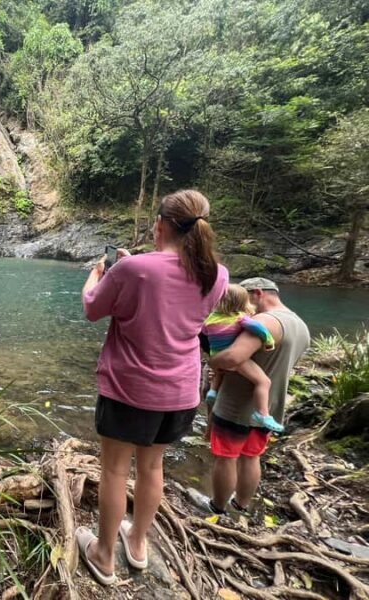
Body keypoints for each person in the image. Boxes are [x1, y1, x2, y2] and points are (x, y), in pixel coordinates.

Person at [76, 190, 228, 587]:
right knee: (152, 466)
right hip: (180, 393)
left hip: (130, 389)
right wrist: (131, 268)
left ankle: (104, 555)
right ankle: (138, 543)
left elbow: (93, 308)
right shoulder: (218, 273)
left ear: (159, 224)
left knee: (113, 469)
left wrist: (99, 274)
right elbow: (169, 292)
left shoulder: (134, 270)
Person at [207, 277, 310, 515]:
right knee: (251, 457)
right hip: (269, 407)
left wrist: (213, 360)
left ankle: (217, 508)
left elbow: (232, 357)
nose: (243, 305)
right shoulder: (301, 326)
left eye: (245, 298)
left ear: (258, 293)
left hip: (236, 404)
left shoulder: (263, 320)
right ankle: (241, 505)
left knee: (226, 457)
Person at [202, 284, 284, 433]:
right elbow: (259, 329)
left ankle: (213, 391)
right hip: (233, 357)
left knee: (217, 371)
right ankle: (263, 414)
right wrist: (269, 341)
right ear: (242, 302)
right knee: (263, 381)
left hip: (216, 355)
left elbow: (204, 332)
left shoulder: (210, 319)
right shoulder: (240, 318)